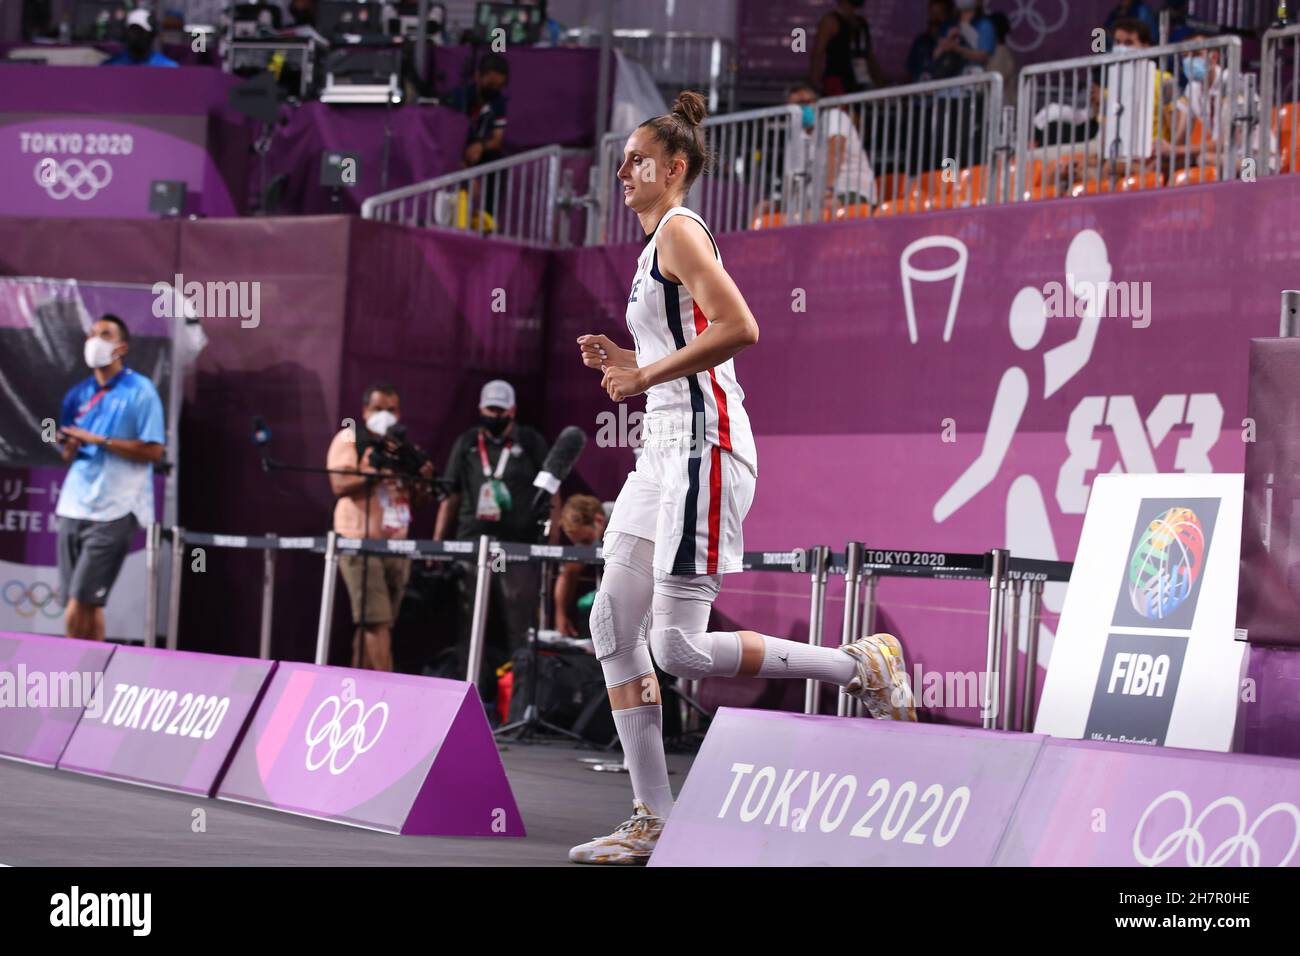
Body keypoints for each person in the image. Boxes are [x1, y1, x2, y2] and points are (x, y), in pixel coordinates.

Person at [568, 91, 917, 866]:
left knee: (679, 648)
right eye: (620, 160)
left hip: (704, 447)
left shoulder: (683, 231)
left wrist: (644, 372)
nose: (622, 170)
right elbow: (680, 351)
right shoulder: (651, 246)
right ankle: (654, 817)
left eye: (637, 160)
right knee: (611, 629)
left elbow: (740, 328)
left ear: (677, 168)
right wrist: (628, 366)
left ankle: (860, 665)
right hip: (660, 449)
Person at [435, 380, 558, 711]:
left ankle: (520, 707)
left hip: (517, 549)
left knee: (520, 628)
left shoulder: (530, 441)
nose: (495, 415)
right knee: (469, 624)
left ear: (513, 411)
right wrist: (437, 545)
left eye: (501, 411)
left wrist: (552, 548)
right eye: (490, 410)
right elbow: (451, 495)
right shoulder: (467, 444)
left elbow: (552, 494)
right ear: (480, 409)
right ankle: (463, 703)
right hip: (473, 546)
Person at [55, 315, 166, 641]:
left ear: (121, 347)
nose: (95, 340)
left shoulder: (141, 390)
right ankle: (88, 681)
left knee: (81, 601)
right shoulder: (78, 393)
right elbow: (67, 452)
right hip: (74, 505)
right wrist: (70, 445)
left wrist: (99, 440)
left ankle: (74, 674)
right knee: (81, 605)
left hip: (116, 507)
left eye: (104, 334)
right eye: (91, 333)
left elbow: (155, 451)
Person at [326, 383, 432, 672]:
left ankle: (352, 689)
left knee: (374, 625)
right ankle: (389, 691)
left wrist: (421, 479)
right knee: (376, 622)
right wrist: (377, 470)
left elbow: (420, 500)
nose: (385, 415)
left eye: (391, 409)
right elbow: (339, 484)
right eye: (377, 409)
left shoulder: (402, 446)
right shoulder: (351, 437)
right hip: (360, 543)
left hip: (397, 545)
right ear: (364, 411)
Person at [554, 493, 611, 639]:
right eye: (578, 543)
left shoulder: (624, 517)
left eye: (586, 541)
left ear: (599, 520)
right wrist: (561, 615)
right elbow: (569, 573)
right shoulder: (589, 529)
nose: (584, 546)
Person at [810, 0, 884, 96]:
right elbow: (818, 54)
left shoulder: (861, 23)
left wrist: (880, 84)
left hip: (860, 83)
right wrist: (815, 84)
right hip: (837, 83)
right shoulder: (831, 21)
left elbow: (868, 56)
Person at [102, 9, 179, 67]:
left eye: (141, 32)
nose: (137, 36)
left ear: (152, 35)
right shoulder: (112, 66)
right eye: (133, 31)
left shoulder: (168, 67)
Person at [906, 0, 958, 83]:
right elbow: (909, 73)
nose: (935, 18)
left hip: (945, 93)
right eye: (932, 13)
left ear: (948, 15)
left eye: (940, 14)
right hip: (919, 92)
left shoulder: (954, 39)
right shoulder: (920, 41)